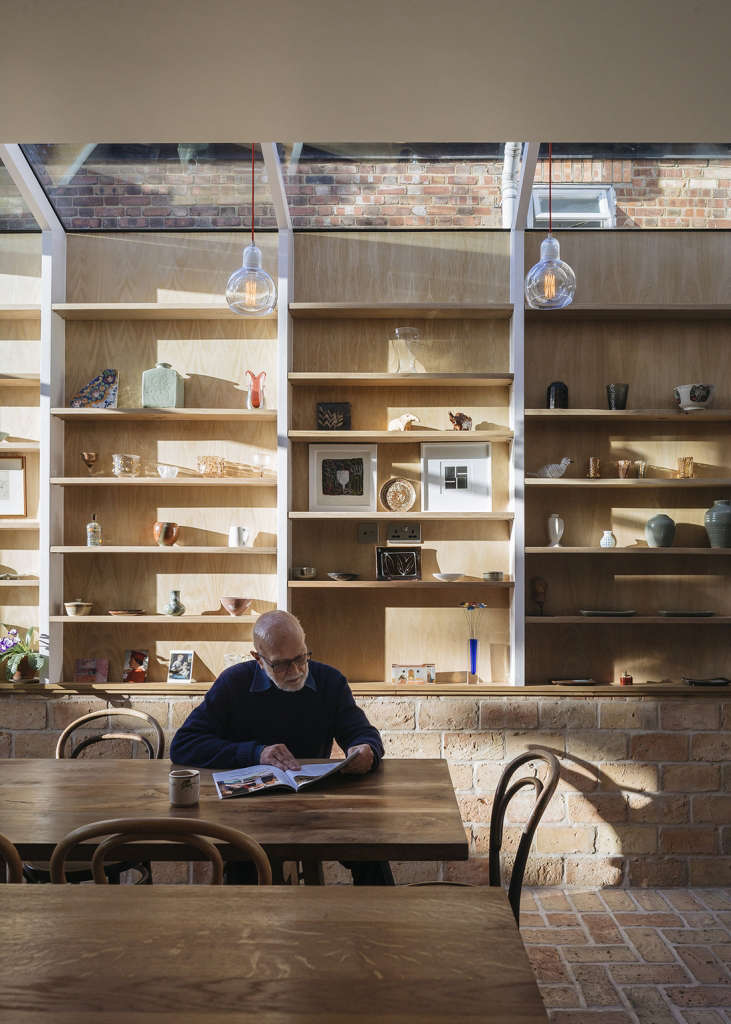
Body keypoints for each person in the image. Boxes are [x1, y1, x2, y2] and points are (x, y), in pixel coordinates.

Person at [170, 609, 393, 885]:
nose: (296, 671)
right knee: (244, 863)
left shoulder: (329, 681)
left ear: (305, 644)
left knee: (371, 846)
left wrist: (365, 749)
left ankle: (380, 925)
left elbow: (361, 732)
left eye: (301, 658)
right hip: (249, 811)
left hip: (314, 806)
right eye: (281, 664)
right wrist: (256, 753)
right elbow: (184, 744)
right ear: (258, 659)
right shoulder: (234, 683)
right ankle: (244, 929)